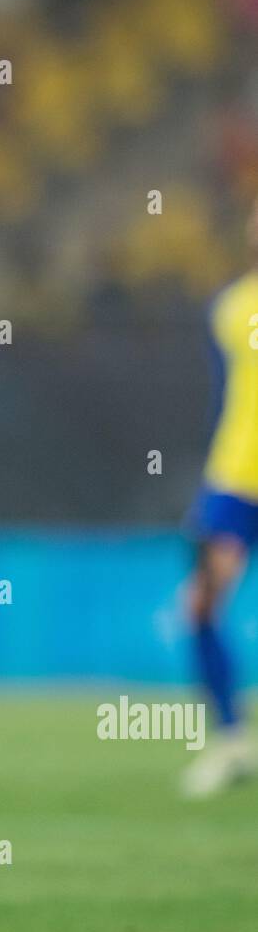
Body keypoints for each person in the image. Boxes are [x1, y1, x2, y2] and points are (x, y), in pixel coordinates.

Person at [183, 201, 258, 798]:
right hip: (235, 480)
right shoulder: (232, 308)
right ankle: (232, 738)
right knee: (203, 606)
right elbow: (224, 402)